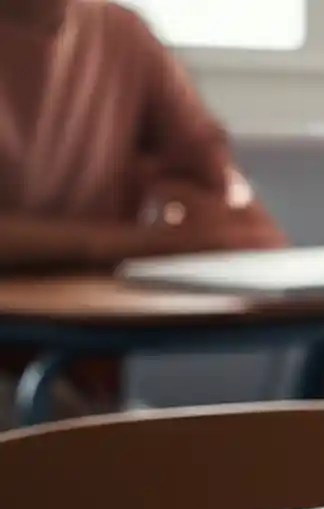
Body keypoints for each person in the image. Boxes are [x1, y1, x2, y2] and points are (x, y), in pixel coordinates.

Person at [0, 0, 286, 427]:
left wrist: (197, 214)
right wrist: (137, 243)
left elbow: (221, 185)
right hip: (36, 390)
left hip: (85, 379)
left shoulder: (121, 33)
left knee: (197, 457)